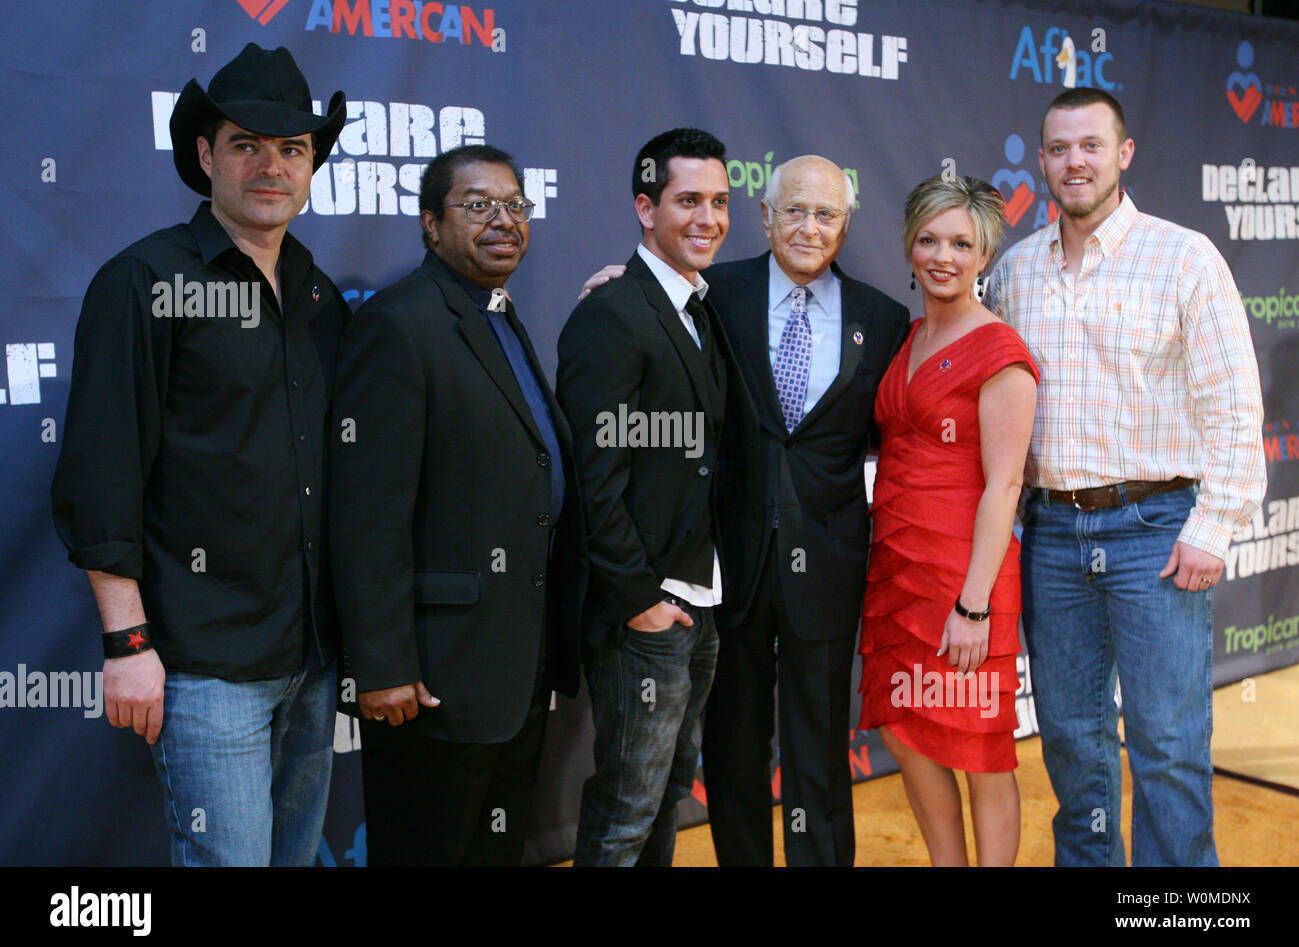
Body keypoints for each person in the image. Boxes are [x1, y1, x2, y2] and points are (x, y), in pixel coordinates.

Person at [50, 44, 349, 866]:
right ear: (204, 154)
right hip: (203, 663)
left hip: (313, 660)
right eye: (247, 143)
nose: (271, 166)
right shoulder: (142, 281)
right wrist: (127, 644)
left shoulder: (320, 296)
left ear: (313, 163)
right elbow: (99, 472)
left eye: (292, 148)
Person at [579, 155, 910, 866]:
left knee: (821, 749)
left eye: (826, 214)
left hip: (827, 564)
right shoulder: (712, 294)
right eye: (794, 210)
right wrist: (617, 288)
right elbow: (648, 316)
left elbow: (895, 438)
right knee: (731, 751)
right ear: (765, 217)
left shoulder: (883, 321)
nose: (809, 227)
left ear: (847, 225)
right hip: (727, 564)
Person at [986, 89, 1265, 867]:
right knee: (1073, 743)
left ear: (1124, 154)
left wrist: (1211, 529)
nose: (1075, 161)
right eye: (1059, 148)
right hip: (1048, 536)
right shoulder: (1014, 273)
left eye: (1090, 146)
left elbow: (1237, 407)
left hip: (1157, 532)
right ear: (1040, 160)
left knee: (1168, 742)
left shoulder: (1184, 256)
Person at [327, 145, 587, 866]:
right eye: (477, 205)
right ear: (430, 225)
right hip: (434, 682)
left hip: (514, 671)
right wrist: (381, 664)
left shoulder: (502, 317)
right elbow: (366, 511)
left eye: (514, 205)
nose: (502, 220)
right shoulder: (398, 324)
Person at [557, 128, 748, 866]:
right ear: (645, 206)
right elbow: (592, 474)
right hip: (645, 611)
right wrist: (639, 598)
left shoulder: (701, 306)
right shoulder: (612, 313)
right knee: (627, 809)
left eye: (721, 202)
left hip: (699, 600)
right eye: (688, 201)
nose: (708, 218)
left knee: (667, 794)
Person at [857, 175, 1038, 867]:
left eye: (962, 243)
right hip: (896, 566)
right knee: (905, 731)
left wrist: (973, 604)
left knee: (979, 750)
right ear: (908, 245)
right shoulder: (904, 339)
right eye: (930, 239)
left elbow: (1005, 485)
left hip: (964, 571)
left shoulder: (1000, 351)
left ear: (985, 254)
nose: (944, 256)